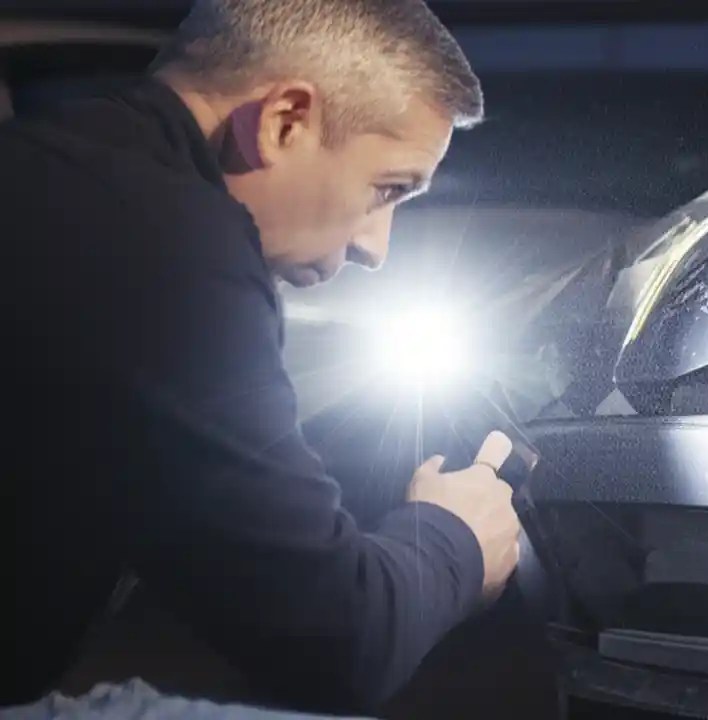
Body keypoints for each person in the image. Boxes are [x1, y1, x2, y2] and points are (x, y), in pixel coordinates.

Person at [0, 0, 523, 714]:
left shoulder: (65, 165)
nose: (378, 245)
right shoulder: (173, 248)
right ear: (285, 122)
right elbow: (340, 641)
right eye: (388, 189)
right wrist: (453, 538)